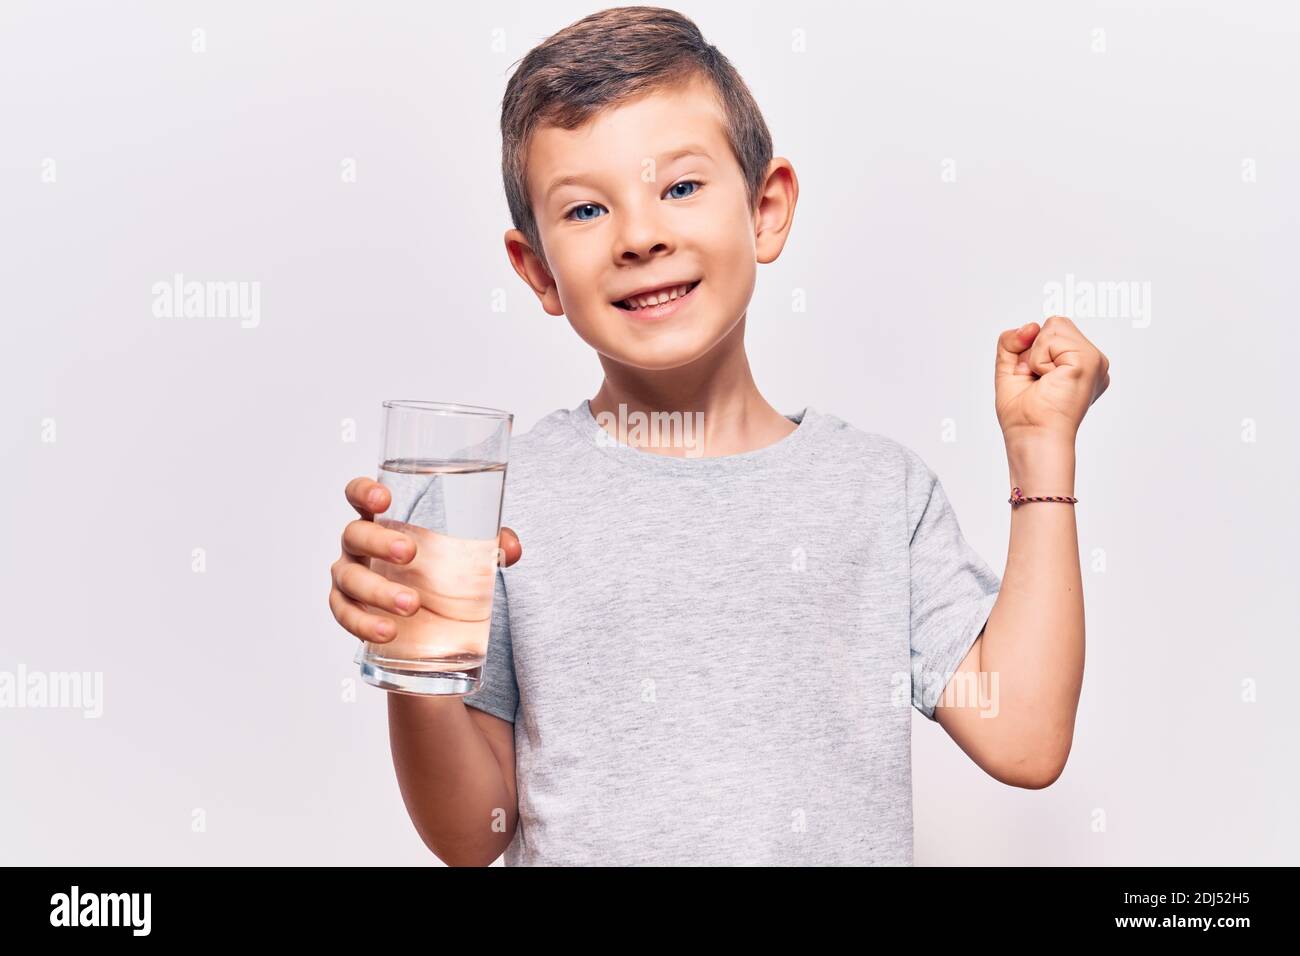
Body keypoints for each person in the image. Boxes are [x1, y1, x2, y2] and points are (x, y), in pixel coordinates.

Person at [328, 5, 1110, 866]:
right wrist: (415, 662)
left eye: (681, 187)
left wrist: (1042, 453)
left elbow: (1027, 741)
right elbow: (473, 836)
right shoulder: (499, 504)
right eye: (586, 210)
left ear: (767, 209)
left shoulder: (876, 491)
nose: (641, 235)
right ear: (538, 270)